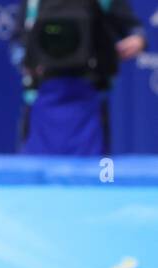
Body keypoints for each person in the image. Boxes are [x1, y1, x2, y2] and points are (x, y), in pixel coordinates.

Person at [14, 0, 147, 155]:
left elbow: (133, 28)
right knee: (33, 175)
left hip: (90, 101)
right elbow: (18, 40)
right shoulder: (32, 3)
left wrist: (138, 40)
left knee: (96, 175)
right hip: (40, 100)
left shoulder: (105, 2)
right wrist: (26, 61)